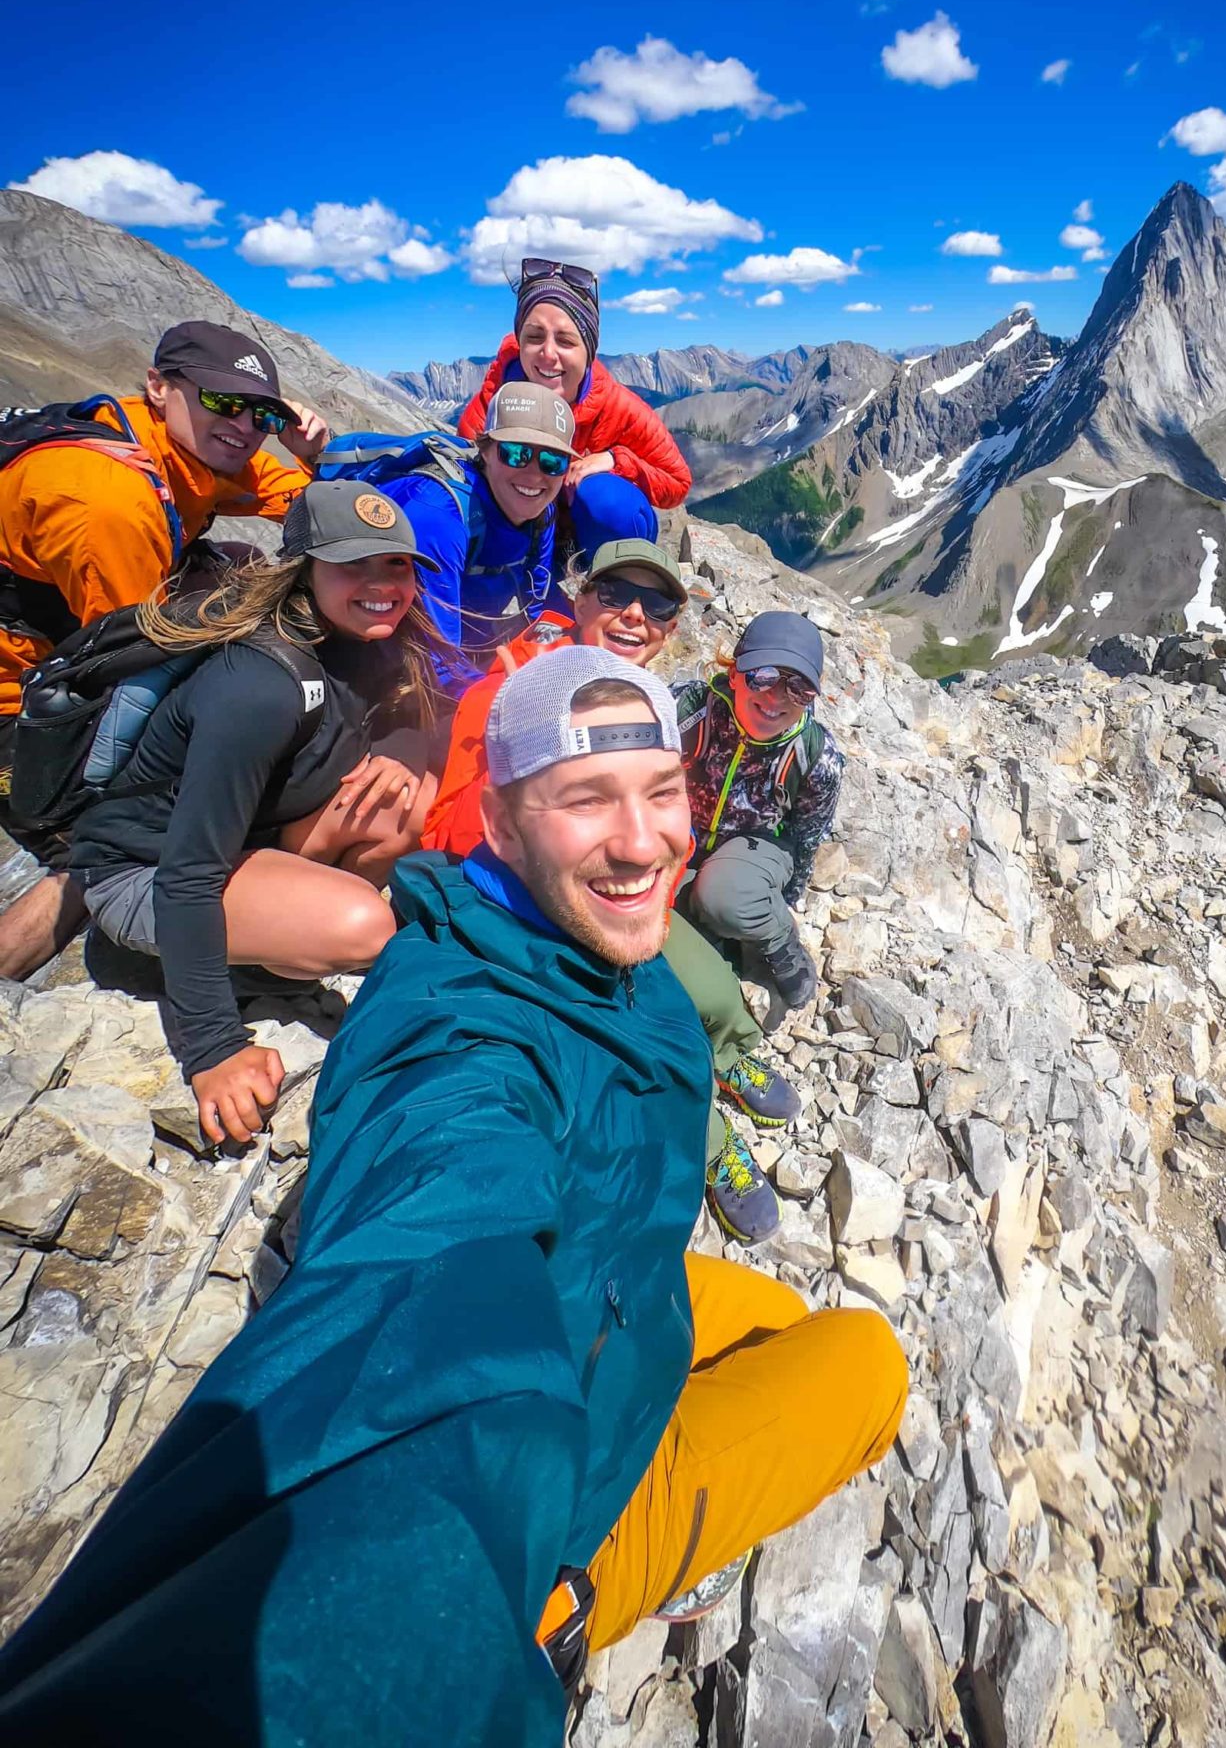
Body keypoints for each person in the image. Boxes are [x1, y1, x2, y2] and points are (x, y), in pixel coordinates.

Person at [0, 649, 907, 1743]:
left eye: (661, 791)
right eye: (585, 799)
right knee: (865, 1363)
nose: (641, 839)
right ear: (503, 818)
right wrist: (443, 1632)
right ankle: (581, 1600)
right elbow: (432, 1260)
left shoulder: (593, 941)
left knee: (770, 1317)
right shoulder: (454, 1032)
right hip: (552, 1500)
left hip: (611, 1284)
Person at [425, 536, 798, 1245]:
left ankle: (731, 1049)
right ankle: (710, 1140)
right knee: (650, 1034)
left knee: (713, 990)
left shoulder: (651, 703)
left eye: (656, 604)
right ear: (578, 599)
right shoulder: (509, 688)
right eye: (614, 596)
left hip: (624, 892)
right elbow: (449, 825)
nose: (634, 615)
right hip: (538, 912)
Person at [67, 481, 442, 1146]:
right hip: (146, 873)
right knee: (363, 925)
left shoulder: (369, 639)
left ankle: (267, 945)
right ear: (303, 568)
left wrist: (402, 753)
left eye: (396, 564)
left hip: (251, 840)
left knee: (406, 808)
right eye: (352, 564)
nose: (381, 583)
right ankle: (180, 965)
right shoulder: (259, 686)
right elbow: (188, 873)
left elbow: (422, 718)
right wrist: (211, 1049)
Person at [0, 321, 329, 979]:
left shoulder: (199, 449)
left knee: (235, 569)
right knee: (122, 832)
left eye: (262, 412)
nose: (244, 423)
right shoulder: (109, 499)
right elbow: (135, 656)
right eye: (222, 400)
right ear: (159, 386)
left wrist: (311, 456)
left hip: (70, 650)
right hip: (21, 709)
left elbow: (310, 506)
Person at [336, 380, 575, 684]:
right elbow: (436, 659)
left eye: (553, 461)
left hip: (465, 627)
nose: (534, 473)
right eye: (516, 453)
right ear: (485, 450)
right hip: (379, 642)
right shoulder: (439, 517)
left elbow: (539, 603)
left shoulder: (543, 510)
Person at [457, 257, 691, 559]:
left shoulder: (617, 406)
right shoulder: (495, 401)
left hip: (582, 538)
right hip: (522, 536)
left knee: (607, 501)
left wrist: (613, 459)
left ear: (589, 351)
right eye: (534, 337)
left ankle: (607, 585)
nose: (548, 354)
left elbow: (678, 483)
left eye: (566, 341)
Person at [673, 610, 843, 1011]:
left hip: (757, 845)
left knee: (724, 899)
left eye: (798, 688)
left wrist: (779, 904)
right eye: (762, 675)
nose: (776, 697)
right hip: (681, 832)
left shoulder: (816, 756)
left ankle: (778, 941)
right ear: (734, 673)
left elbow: (807, 833)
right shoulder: (688, 708)